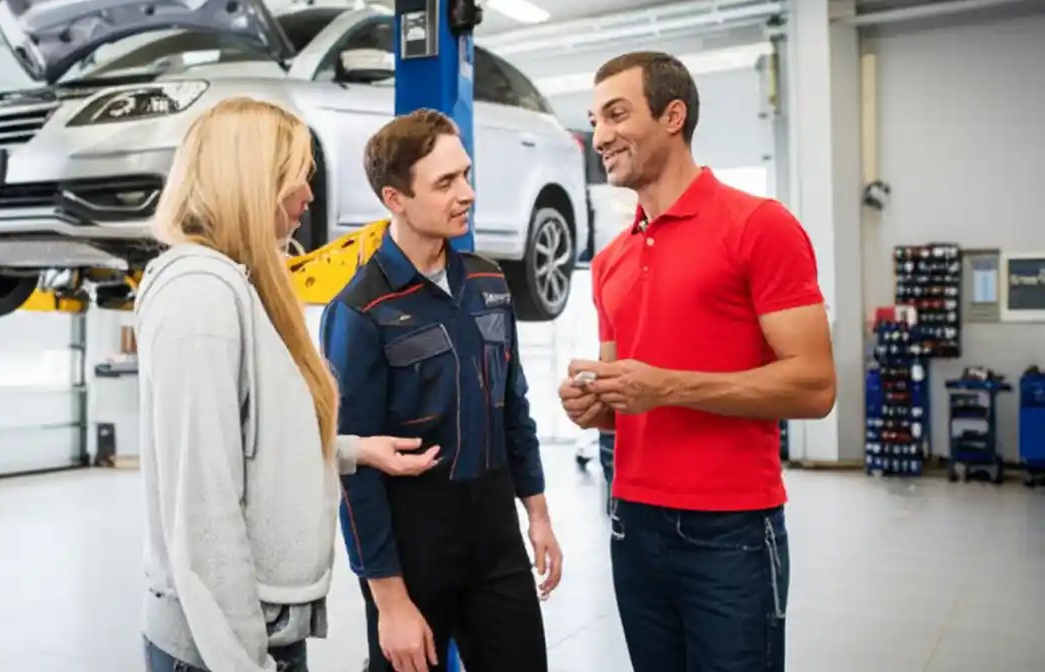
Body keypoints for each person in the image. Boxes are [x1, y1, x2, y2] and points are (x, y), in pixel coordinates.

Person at [135, 97, 444, 672]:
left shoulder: (237, 286)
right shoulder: (198, 297)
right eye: (298, 178)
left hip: (256, 633)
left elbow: (255, 439)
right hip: (218, 647)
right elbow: (203, 509)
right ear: (252, 181)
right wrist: (243, 660)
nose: (307, 195)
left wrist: (352, 450)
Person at [559, 52, 836, 672]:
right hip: (632, 525)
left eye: (616, 114)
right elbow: (623, 402)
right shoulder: (609, 263)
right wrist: (594, 406)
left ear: (673, 115)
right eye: (594, 119)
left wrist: (669, 388)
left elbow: (815, 386)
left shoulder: (759, 227)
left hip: (730, 533)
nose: (599, 135)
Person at [321, 109, 563, 672]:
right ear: (395, 198)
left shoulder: (488, 283)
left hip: (496, 536)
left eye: (466, 175)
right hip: (412, 550)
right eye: (446, 183)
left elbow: (514, 410)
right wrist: (389, 600)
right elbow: (352, 465)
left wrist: (539, 514)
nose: (468, 194)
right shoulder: (360, 311)